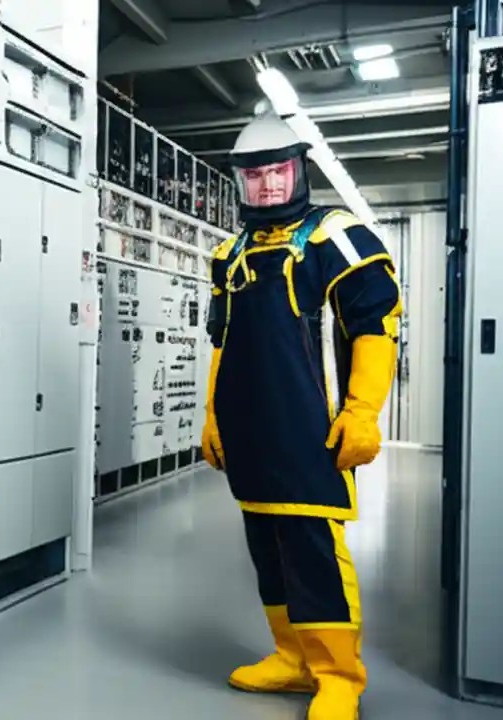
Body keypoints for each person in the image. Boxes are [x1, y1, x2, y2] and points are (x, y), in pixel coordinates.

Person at [201, 111, 402, 720]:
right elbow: (221, 342)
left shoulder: (335, 237)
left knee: (313, 550)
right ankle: (291, 658)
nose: (266, 186)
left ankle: (339, 674)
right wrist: (213, 417)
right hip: (249, 433)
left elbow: (377, 327)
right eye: (255, 175)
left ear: (300, 172)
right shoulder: (229, 253)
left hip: (310, 432)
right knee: (267, 547)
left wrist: (363, 412)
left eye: (278, 172)